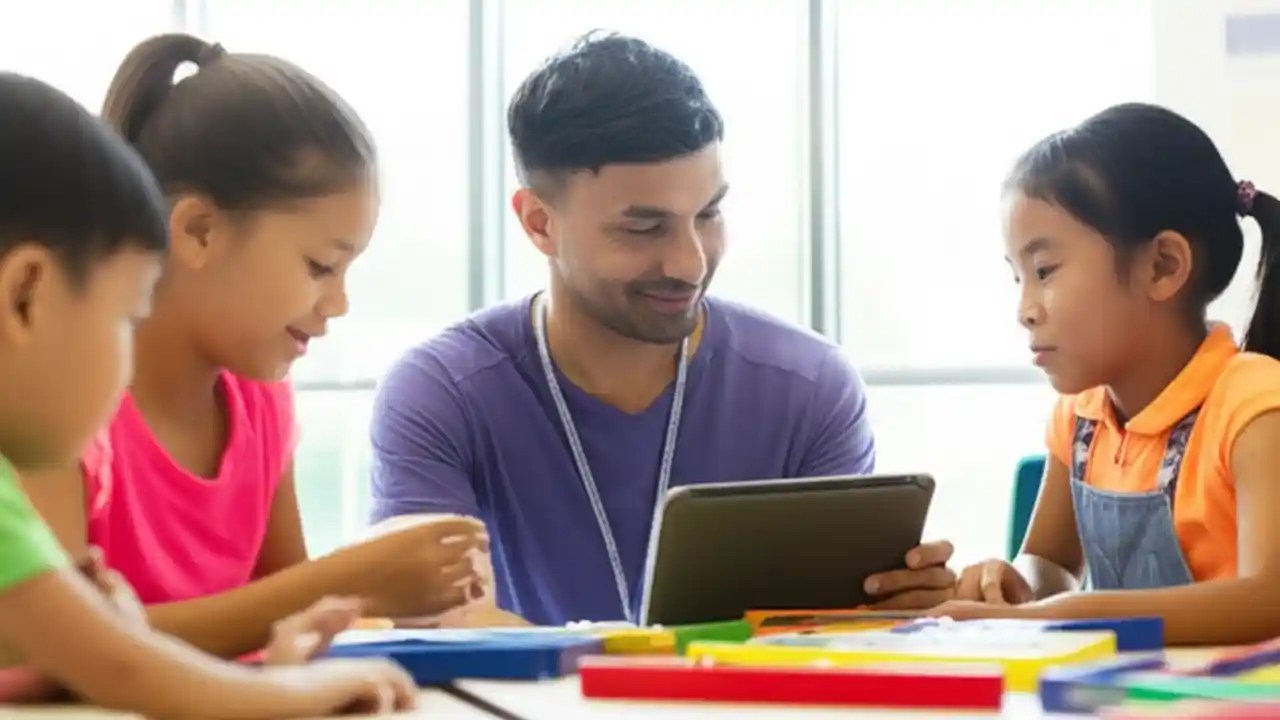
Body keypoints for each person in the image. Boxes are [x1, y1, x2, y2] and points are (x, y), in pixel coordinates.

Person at [369, 31, 956, 627]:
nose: (690, 263)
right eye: (644, 228)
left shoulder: (811, 386)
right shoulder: (441, 392)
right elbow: (436, 621)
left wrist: (893, 610)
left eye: (708, 214)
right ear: (540, 224)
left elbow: (830, 636)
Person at [19, 32, 490, 660]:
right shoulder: (58, 402)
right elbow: (59, 644)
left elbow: (285, 617)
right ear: (200, 231)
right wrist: (353, 580)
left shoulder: (261, 403)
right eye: (321, 266)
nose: (338, 304)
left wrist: (384, 605)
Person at [932, 103, 1280, 646]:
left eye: (1044, 271)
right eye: (1017, 276)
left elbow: (1268, 598)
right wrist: (1016, 582)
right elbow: (1050, 562)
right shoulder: (1081, 414)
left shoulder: (1255, 404)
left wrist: (1067, 614)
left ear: (1163, 266)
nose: (1025, 308)